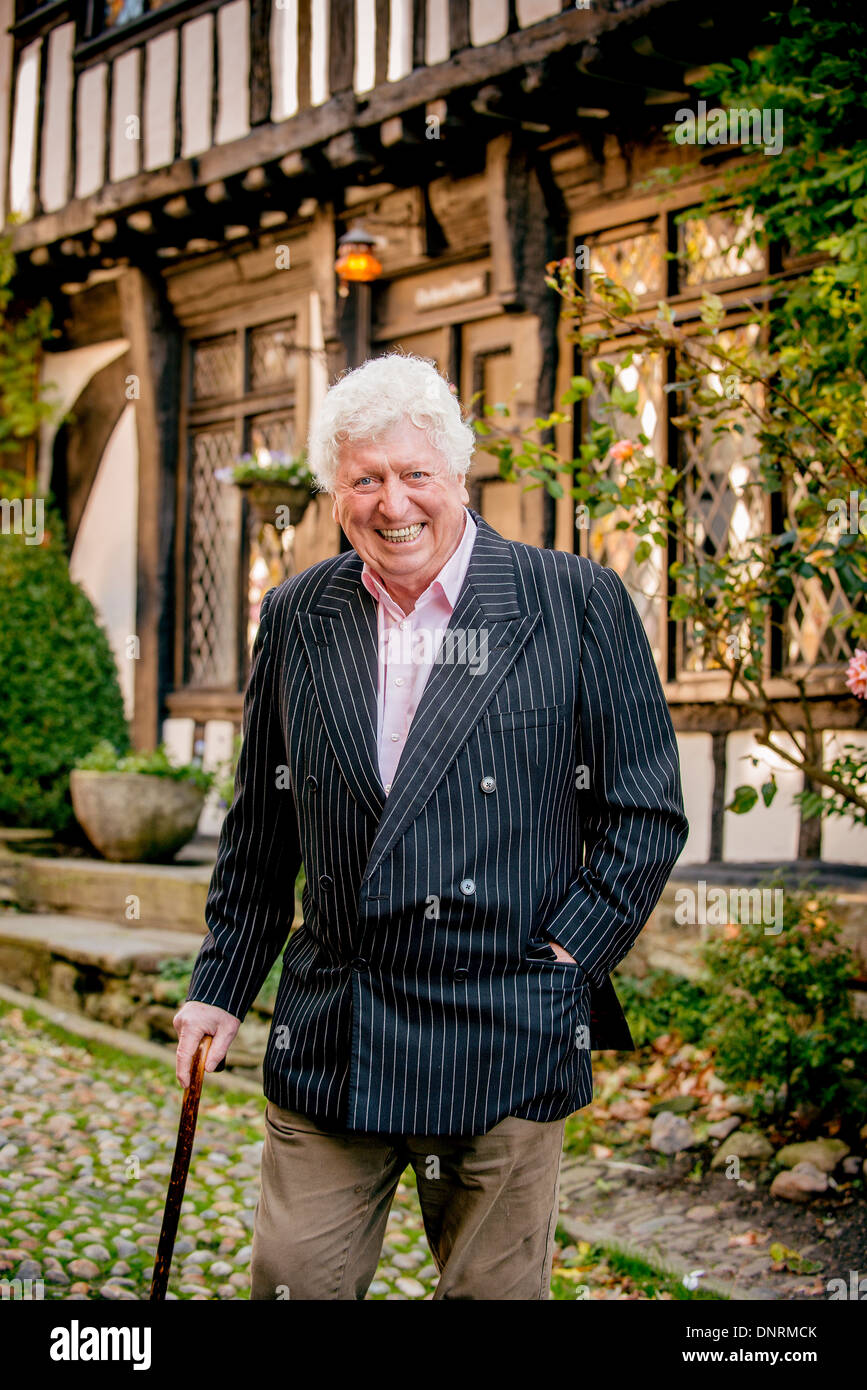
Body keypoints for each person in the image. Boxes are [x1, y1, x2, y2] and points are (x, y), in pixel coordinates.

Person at [173, 352, 689, 1300]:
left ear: (458, 472)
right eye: (364, 479)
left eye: (414, 473)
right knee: (292, 1282)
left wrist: (564, 960)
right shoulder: (296, 614)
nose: (392, 503)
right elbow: (261, 831)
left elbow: (644, 810)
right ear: (334, 493)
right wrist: (219, 991)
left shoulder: (574, 601)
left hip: (503, 1030)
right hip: (335, 1030)